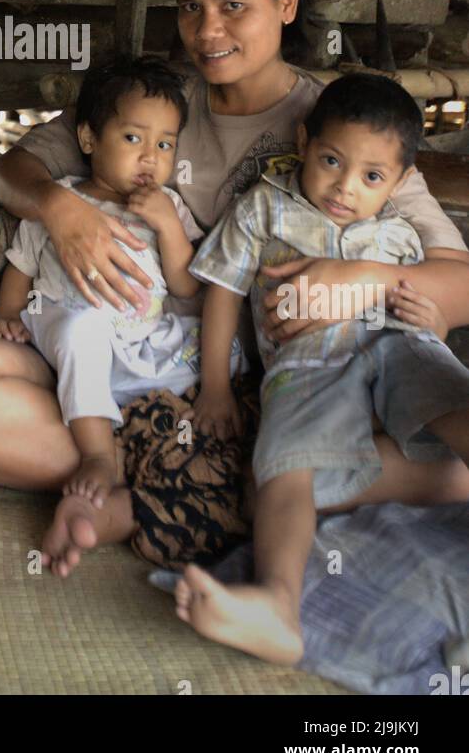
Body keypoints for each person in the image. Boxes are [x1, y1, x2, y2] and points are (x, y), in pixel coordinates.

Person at [0, 0, 469, 576]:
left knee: (445, 459)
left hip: (267, 387)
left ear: (286, 5)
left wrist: (362, 280)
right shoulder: (157, 100)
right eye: (191, 8)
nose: (207, 30)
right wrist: (58, 207)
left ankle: (157, 494)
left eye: (232, 6)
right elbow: (6, 171)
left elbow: (456, 282)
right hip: (109, 354)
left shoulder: (341, 126)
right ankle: (205, 484)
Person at [174, 73, 469, 663]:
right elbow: (224, 294)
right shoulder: (263, 207)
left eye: (372, 177)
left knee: (449, 394)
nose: (344, 187)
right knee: (283, 469)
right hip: (306, 363)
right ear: (304, 141)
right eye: (331, 160)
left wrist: (429, 319)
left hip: (397, 337)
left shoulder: (402, 230)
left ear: (402, 181)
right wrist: (214, 387)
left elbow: (429, 310)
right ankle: (278, 606)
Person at [0, 56, 243, 567]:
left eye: (164, 144)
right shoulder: (60, 203)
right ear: (88, 139)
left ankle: (141, 409)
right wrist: (9, 317)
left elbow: (187, 283)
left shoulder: (169, 206)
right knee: (83, 329)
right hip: (68, 324)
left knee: (224, 346)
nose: (150, 157)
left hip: (141, 336)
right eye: (132, 139)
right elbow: (21, 268)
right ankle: (101, 454)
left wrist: (168, 227)